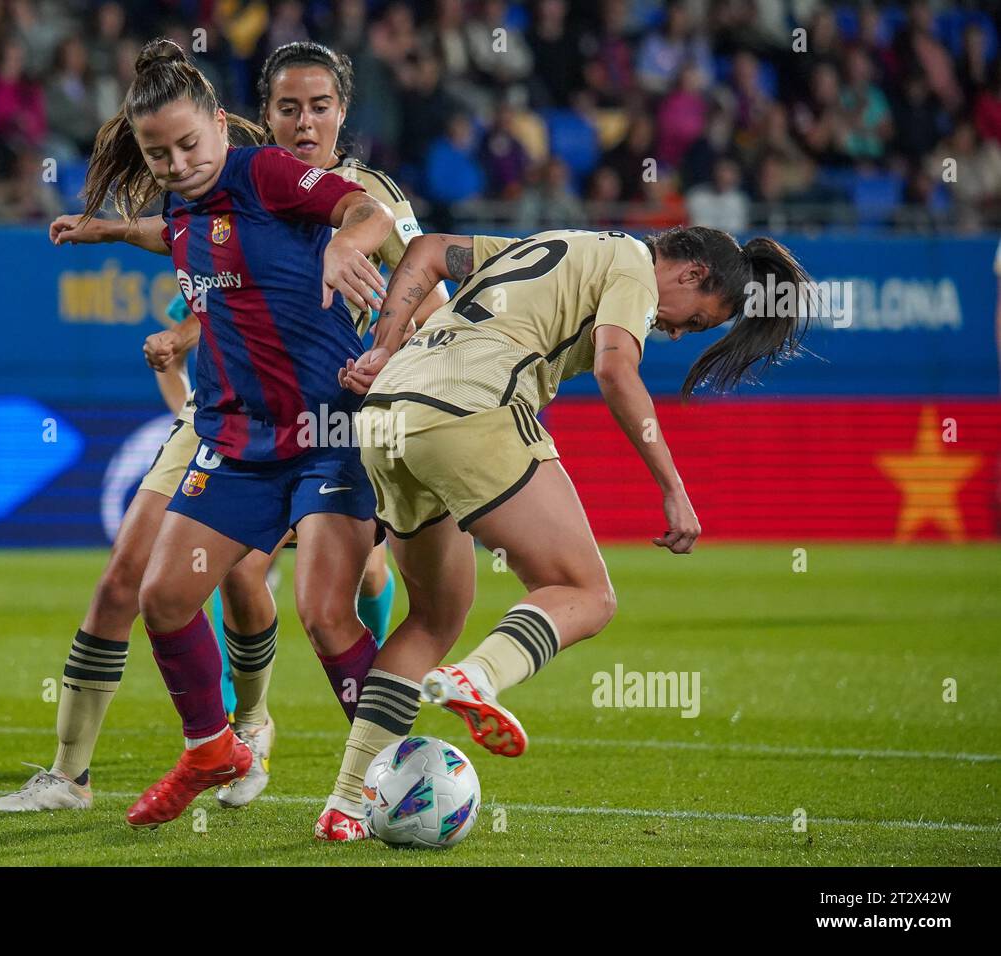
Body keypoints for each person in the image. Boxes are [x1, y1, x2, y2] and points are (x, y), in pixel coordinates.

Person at [315, 225, 813, 839]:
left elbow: (426, 252)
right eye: (697, 320)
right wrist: (673, 488)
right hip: (473, 406)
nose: (676, 332)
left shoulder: (559, 242)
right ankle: (483, 676)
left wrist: (385, 348)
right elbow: (615, 370)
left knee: (434, 617)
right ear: (688, 274)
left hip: (390, 413)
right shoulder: (635, 263)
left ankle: (345, 804)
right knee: (586, 593)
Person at [64, 38, 396, 830]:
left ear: (222, 124)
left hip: (325, 431)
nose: (177, 163)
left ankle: (388, 776)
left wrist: (350, 240)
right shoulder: (182, 200)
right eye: (159, 153)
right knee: (163, 598)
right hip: (237, 441)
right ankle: (213, 746)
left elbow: (367, 210)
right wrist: (111, 231)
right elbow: (172, 232)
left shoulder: (267, 172)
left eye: (188, 144)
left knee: (326, 613)